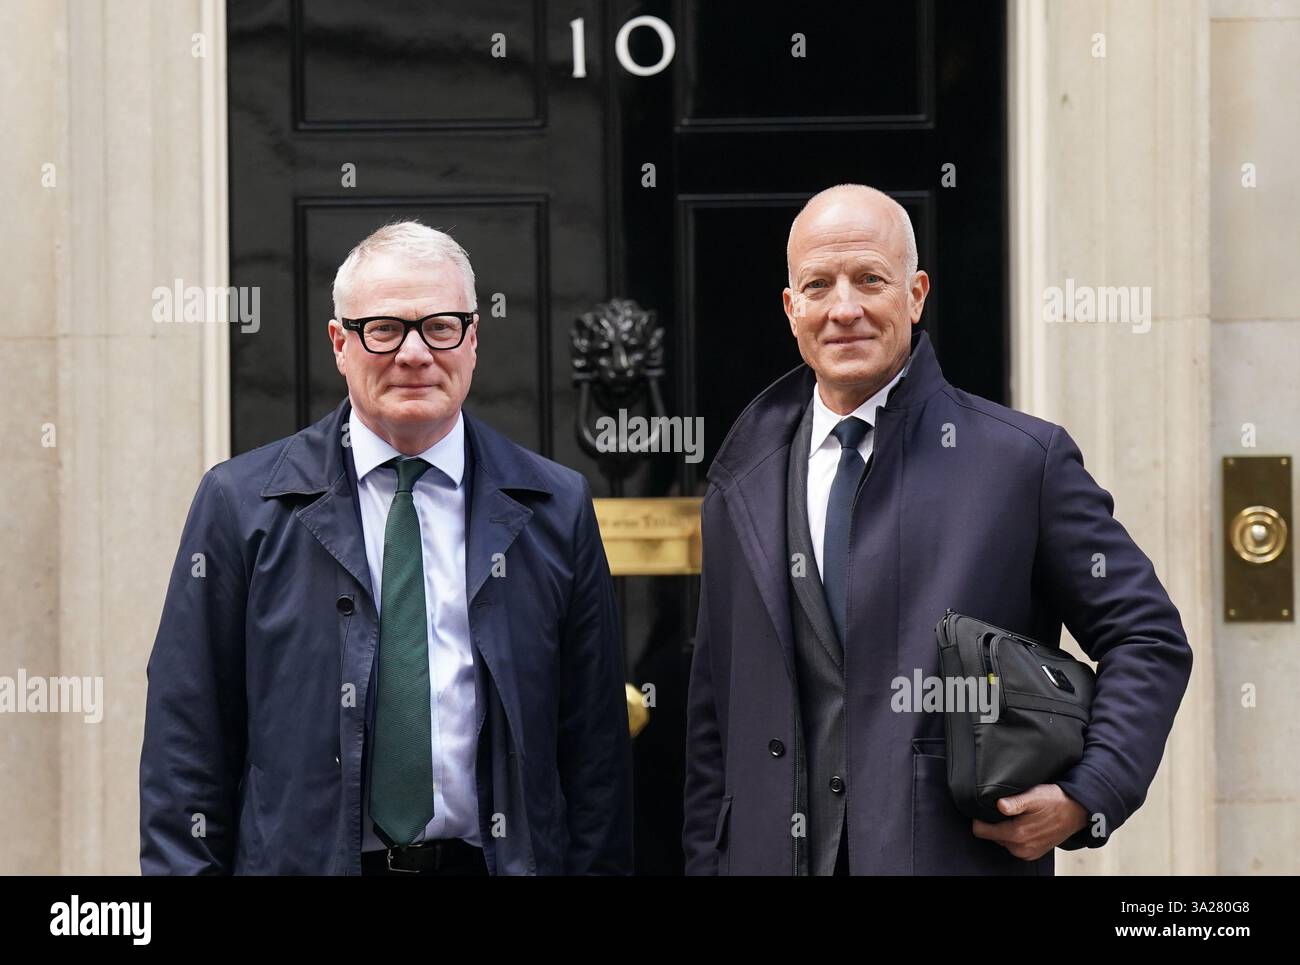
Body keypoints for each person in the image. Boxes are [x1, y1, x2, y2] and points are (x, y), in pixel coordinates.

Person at [683, 184, 1193, 875]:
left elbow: (1148, 636)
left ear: (916, 294)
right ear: (790, 307)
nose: (845, 308)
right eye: (819, 285)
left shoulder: (1021, 462)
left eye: (870, 280)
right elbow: (716, 712)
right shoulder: (741, 477)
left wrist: (1088, 792)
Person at [141, 220, 632, 875]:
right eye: (385, 328)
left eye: (440, 325)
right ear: (340, 343)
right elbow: (186, 743)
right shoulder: (241, 506)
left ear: (473, 339)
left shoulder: (555, 507)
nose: (414, 353)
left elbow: (595, 753)